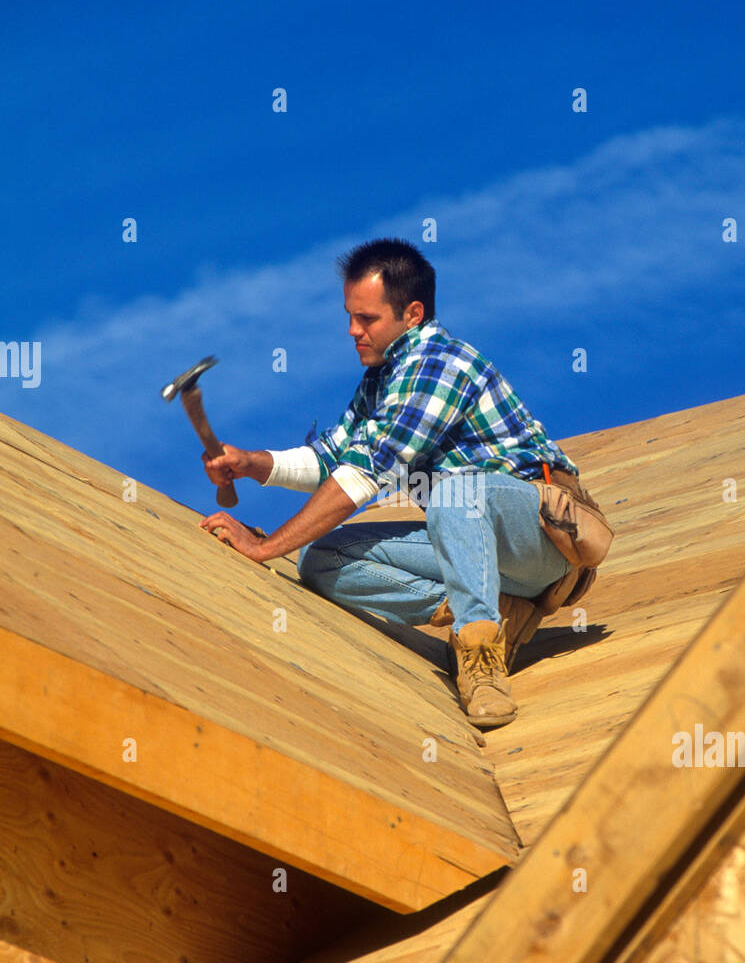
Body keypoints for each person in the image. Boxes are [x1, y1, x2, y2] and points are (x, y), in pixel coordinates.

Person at [199, 238, 593, 728]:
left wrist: (266, 548)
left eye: (367, 319)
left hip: (542, 540)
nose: (352, 331)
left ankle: (482, 663)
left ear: (412, 313)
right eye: (350, 317)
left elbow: (365, 474)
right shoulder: (382, 380)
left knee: (456, 489)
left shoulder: (436, 362)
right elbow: (333, 459)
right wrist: (251, 463)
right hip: (476, 546)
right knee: (320, 559)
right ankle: (495, 609)